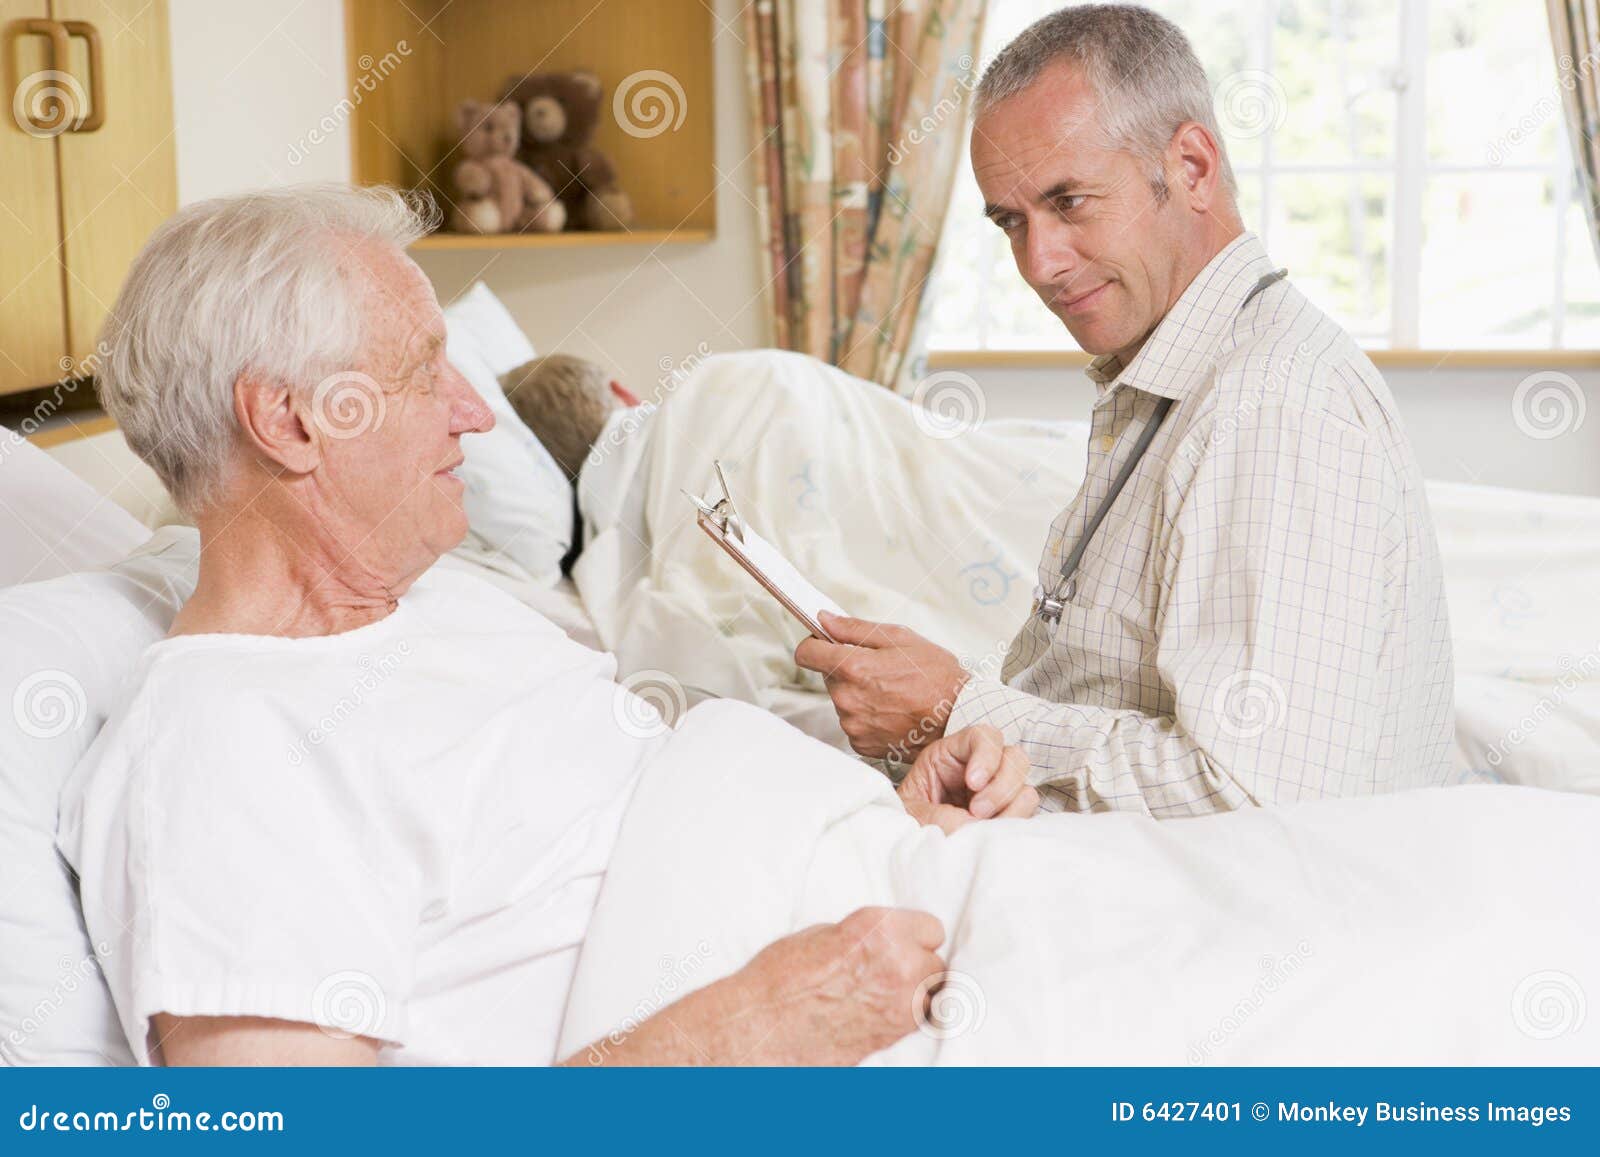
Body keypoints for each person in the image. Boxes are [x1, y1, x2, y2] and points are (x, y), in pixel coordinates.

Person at [56, 185, 1037, 1068]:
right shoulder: (226, 748)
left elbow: (618, 849)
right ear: (288, 421)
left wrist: (882, 832)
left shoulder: (456, 604)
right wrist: (740, 1039)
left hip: (936, 917)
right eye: (420, 370)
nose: (477, 413)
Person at [795, 4, 1455, 817]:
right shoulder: (1175, 376)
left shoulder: (1271, 408)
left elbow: (1259, 797)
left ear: (1192, 167)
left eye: (1068, 202)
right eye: (1011, 222)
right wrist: (959, 734)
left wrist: (957, 708)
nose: (1039, 263)